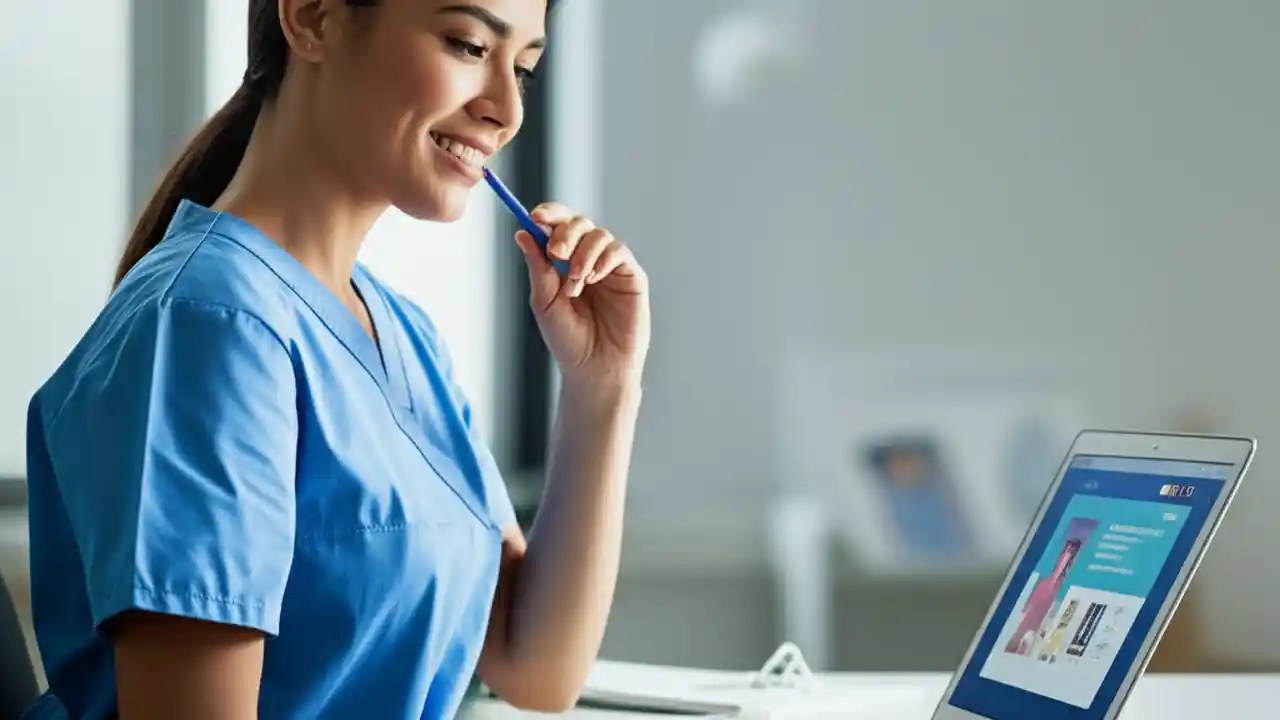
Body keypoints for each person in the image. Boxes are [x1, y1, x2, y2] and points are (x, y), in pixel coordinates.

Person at [22, 0, 649, 717]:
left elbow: (532, 666)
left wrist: (604, 385)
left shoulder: (403, 334)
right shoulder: (208, 328)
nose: (506, 110)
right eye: (469, 46)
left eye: (526, 70)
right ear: (314, 18)